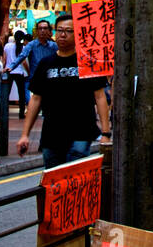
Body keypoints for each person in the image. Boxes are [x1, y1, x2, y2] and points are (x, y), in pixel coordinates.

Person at [18, 13, 111, 168]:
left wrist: (106, 133)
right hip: (52, 134)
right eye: (59, 30)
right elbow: (36, 99)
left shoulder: (88, 62)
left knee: (75, 178)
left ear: (77, 34)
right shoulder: (46, 64)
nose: (62, 35)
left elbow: (100, 97)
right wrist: (24, 134)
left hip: (81, 132)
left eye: (68, 31)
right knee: (54, 182)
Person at [0, 31, 28, 120]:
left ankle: (2, 112)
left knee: (5, 93)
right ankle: (21, 113)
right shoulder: (23, 47)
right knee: (21, 94)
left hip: (9, 71)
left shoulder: (7, 46)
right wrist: (29, 71)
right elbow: (23, 62)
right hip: (19, 72)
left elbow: (4, 60)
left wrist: (2, 69)